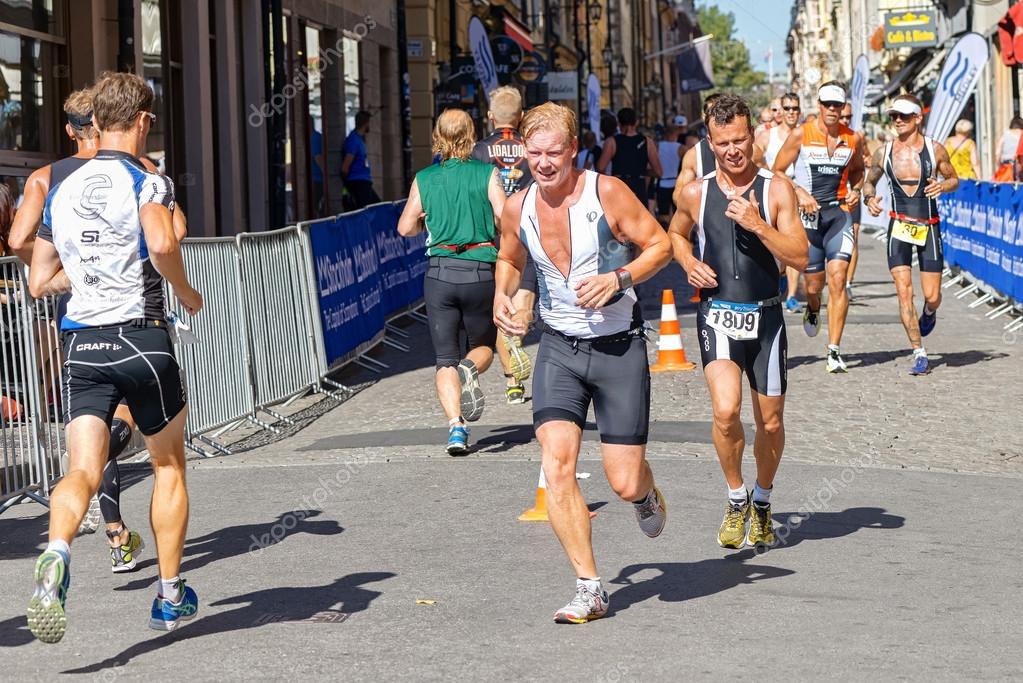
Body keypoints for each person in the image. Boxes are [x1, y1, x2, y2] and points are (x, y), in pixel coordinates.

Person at [25, 72, 203, 643]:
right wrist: (184, 291)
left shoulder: (60, 190)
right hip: (141, 337)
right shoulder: (148, 179)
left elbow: (38, 280)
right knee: (167, 466)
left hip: (82, 341)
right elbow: (161, 242)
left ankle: (56, 554)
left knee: (81, 469)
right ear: (144, 121)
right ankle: (170, 596)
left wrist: (87, 273)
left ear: (95, 121)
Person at [495, 102, 670, 624]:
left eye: (554, 152)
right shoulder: (517, 206)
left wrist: (618, 280)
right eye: (535, 153)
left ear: (573, 149)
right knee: (556, 465)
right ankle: (590, 586)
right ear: (523, 151)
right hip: (560, 349)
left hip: (619, 347)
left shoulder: (607, 192)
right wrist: (507, 297)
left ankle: (645, 492)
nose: (544, 163)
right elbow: (509, 258)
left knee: (622, 481)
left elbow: (660, 245)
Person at [668, 93, 808, 550]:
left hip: (766, 316)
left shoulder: (776, 189)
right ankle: (735, 496)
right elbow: (674, 233)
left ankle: (763, 501)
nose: (733, 150)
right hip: (718, 316)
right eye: (723, 142)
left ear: (753, 137)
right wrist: (688, 260)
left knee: (769, 423)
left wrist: (758, 225)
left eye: (741, 140)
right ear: (710, 142)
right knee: (726, 412)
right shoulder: (696, 192)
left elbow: (801, 257)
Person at [397, 109, 505, 453]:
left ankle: (456, 429)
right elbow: (505, 218)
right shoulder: (487, 173)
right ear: (472, 135)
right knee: (484, 345)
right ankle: (469, 369)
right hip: (479, 271)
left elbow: (404, 227)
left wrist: (424, 221)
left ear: (437, 137)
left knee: (444, 358)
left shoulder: (424, 178)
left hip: (439, 273)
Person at [772, 81, 864, 373]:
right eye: (828, 105)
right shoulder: (802, 133)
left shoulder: (854, 139)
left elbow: (860, 171)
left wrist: (857, 189)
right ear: (820, 106)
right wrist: (798, 192)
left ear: (843, 108)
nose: (833, 111)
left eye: (838, 106)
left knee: (838, 280)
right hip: (809, 220)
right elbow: (776, 170)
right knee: (814, 286)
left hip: (838, 216)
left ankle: (834, 350)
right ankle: (813, 307)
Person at [863, 94, 959, 375]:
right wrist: (869, 198)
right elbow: (869, 182)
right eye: (894, 116)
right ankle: (919, 352)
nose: (897, 121)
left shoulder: (936, 149)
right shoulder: (884, 152)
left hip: (928, 225)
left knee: (932, 294)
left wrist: (943, 186)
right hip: (899, 226)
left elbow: (954, 178)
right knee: (904, 292)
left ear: (918, 118)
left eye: (904, 116)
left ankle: (930, 312)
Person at [471, 86, 536, 404]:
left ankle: (512, 379)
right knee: (523, 300)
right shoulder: (531, 147)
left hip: (493, 239)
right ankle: (517, 344)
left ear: (490, 116)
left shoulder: (480, 151)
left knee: (501, 304)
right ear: (522, 116)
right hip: (530, 234)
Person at [756, 92, 803, 313]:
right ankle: (781, 274)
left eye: (795, 109)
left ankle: (792, 295)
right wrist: (768, 173)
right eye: (787, 109)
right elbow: (753, 158)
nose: (791, 113)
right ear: (780, 111)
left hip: (802, 195)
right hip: (775, 194)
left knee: (796, 244)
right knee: (778, 247)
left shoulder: (806, 134)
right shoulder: (768, 136)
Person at [596, 107, 662, 202]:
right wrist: (643, 171)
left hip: (619, 186)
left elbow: (601, 167)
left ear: (619, 124)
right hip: (639, 186)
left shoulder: (612, 142)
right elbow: (658, 172)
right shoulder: (647, 142)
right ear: (636, 122)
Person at [839, 103, 868, 299]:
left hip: (851, 195)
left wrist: (857, 188)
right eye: (843, 116)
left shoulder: (856, 137)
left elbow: (866, 160)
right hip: (831, 198)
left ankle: (848, 282)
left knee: (853, 238)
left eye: (849, 117)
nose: (845, 120)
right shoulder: (824, 137)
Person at [675, 93, 724, 192]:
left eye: (721, 112)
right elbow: (679, 194)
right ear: (704, 116)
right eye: (712, 113)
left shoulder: (750, 150)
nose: (717, 117)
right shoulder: (693, 155)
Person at [341, 110, 380, 210]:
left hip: (364, 181)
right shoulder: (353, 140)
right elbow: (346, 166)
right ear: (366, 124)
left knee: (378, 207)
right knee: (366, 211)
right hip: (358, 182)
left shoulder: (359, 139)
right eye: (369, 123)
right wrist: (347, 185)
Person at [655, 116, 686, 227]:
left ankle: (665, 233)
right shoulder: (682, 148)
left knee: (663, 213)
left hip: (662, 182)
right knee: (677, 212)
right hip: (676, 183)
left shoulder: (657, 146)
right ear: (676, 134)